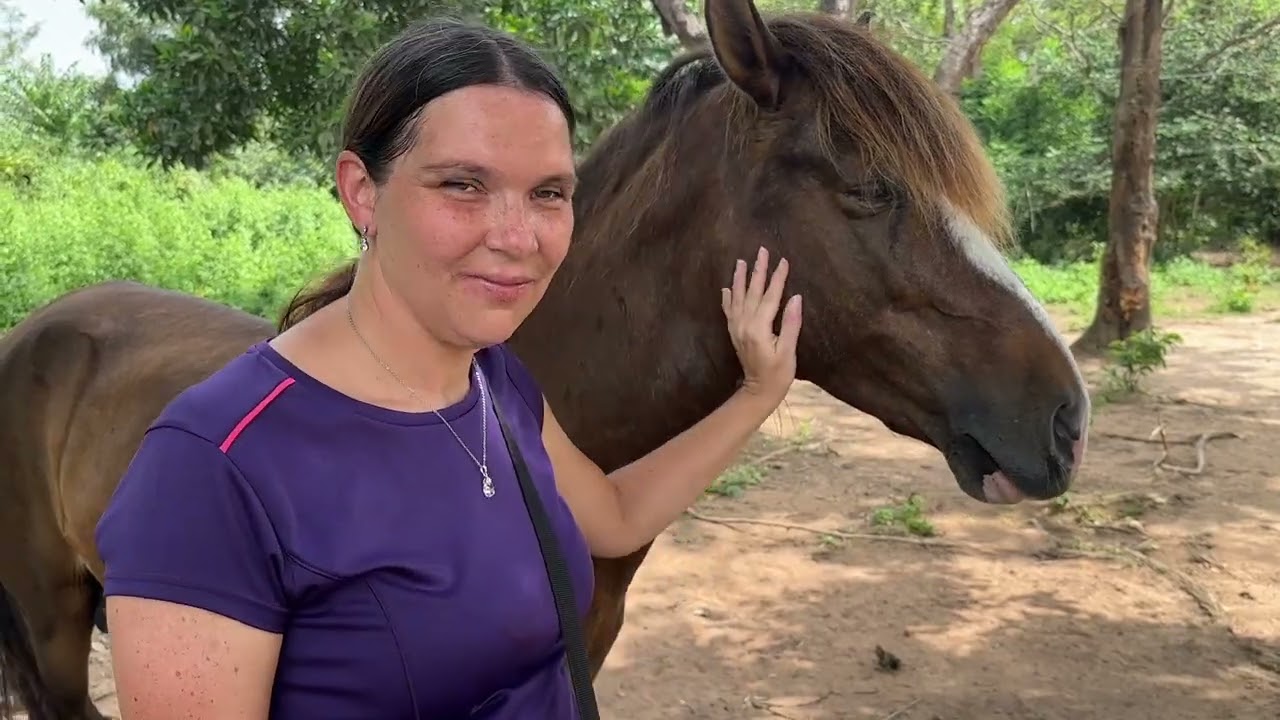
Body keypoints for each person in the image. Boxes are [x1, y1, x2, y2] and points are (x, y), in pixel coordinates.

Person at [94, 16, 803, 720]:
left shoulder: (496, 381)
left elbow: (613, 518)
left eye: (549, 193)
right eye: (463, 185)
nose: (519, 237)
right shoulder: (213, 467)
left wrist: (756, 391)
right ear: (362, 192)